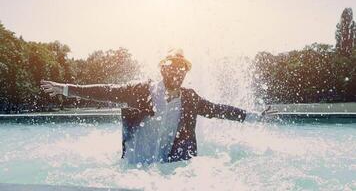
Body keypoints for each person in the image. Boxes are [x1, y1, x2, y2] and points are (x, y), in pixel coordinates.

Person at [41, 48, 275, 165]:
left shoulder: (190, 98)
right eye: (173, 67)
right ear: (162, 69)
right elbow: (105, 91)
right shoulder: (141, 90)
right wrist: (66, 88)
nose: (178, 71)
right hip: (135, 166)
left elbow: (217, 110)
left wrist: (254, 117)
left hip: (173, 168)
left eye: (182, 68)